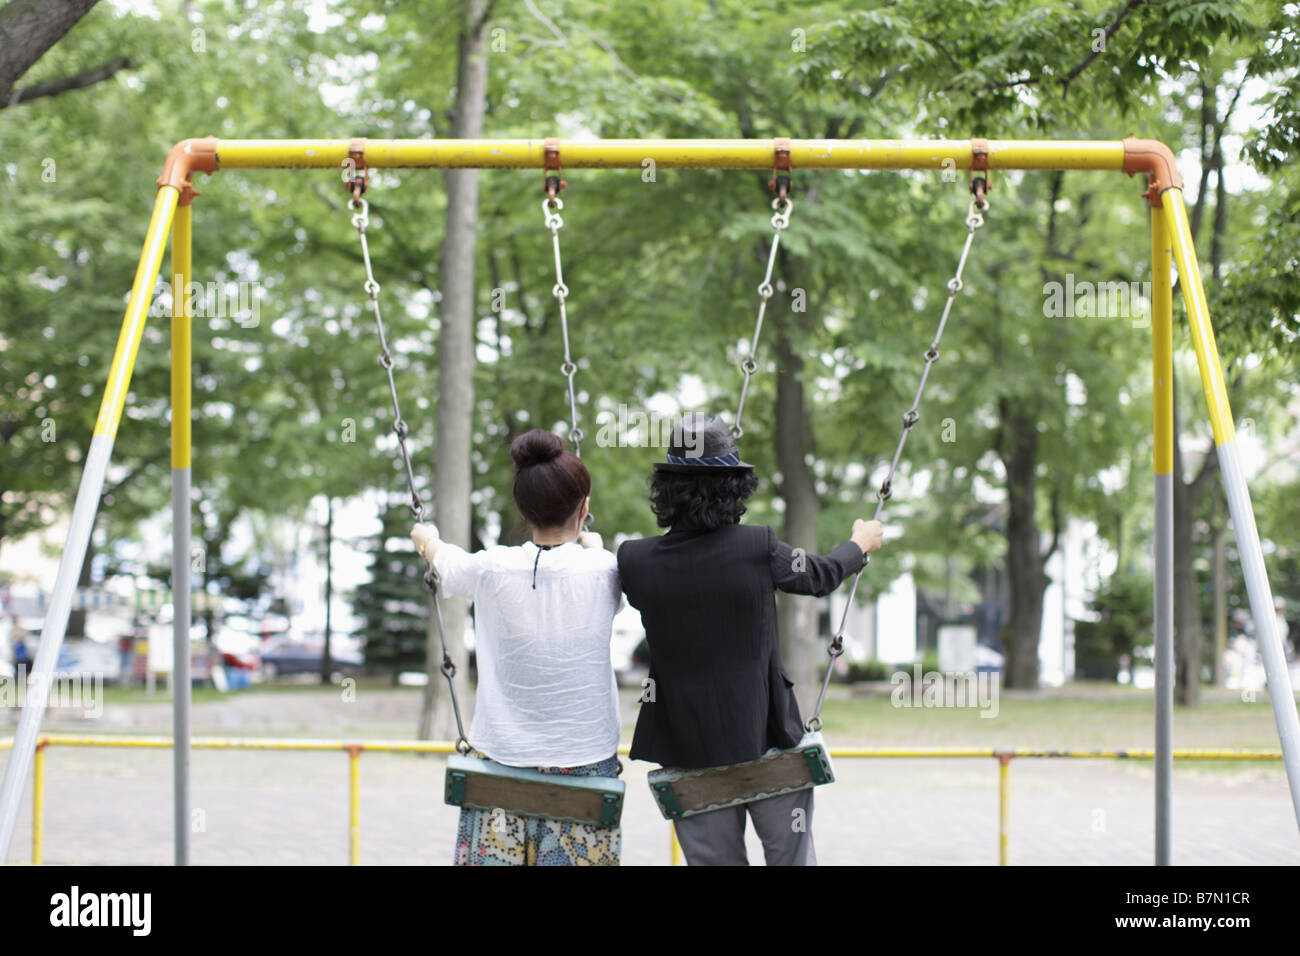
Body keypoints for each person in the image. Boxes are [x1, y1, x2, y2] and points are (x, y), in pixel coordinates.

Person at [617, 413, 885, 866]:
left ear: (665, 489)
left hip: (690, 751)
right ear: (734, 489)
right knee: (791, 859)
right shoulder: (757, 548)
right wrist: (859, 544)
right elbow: (818, 575)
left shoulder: (636, 560)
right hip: (768, 741)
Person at [411, 428, 624, 866]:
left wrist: (425, 538)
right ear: (584, 509)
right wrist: (593, 545)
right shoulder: (605, 570)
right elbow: (591, 567)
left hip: (502, 763)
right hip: (584, 764)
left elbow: (445, 560)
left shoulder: (491, 567)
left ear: (523, 509)